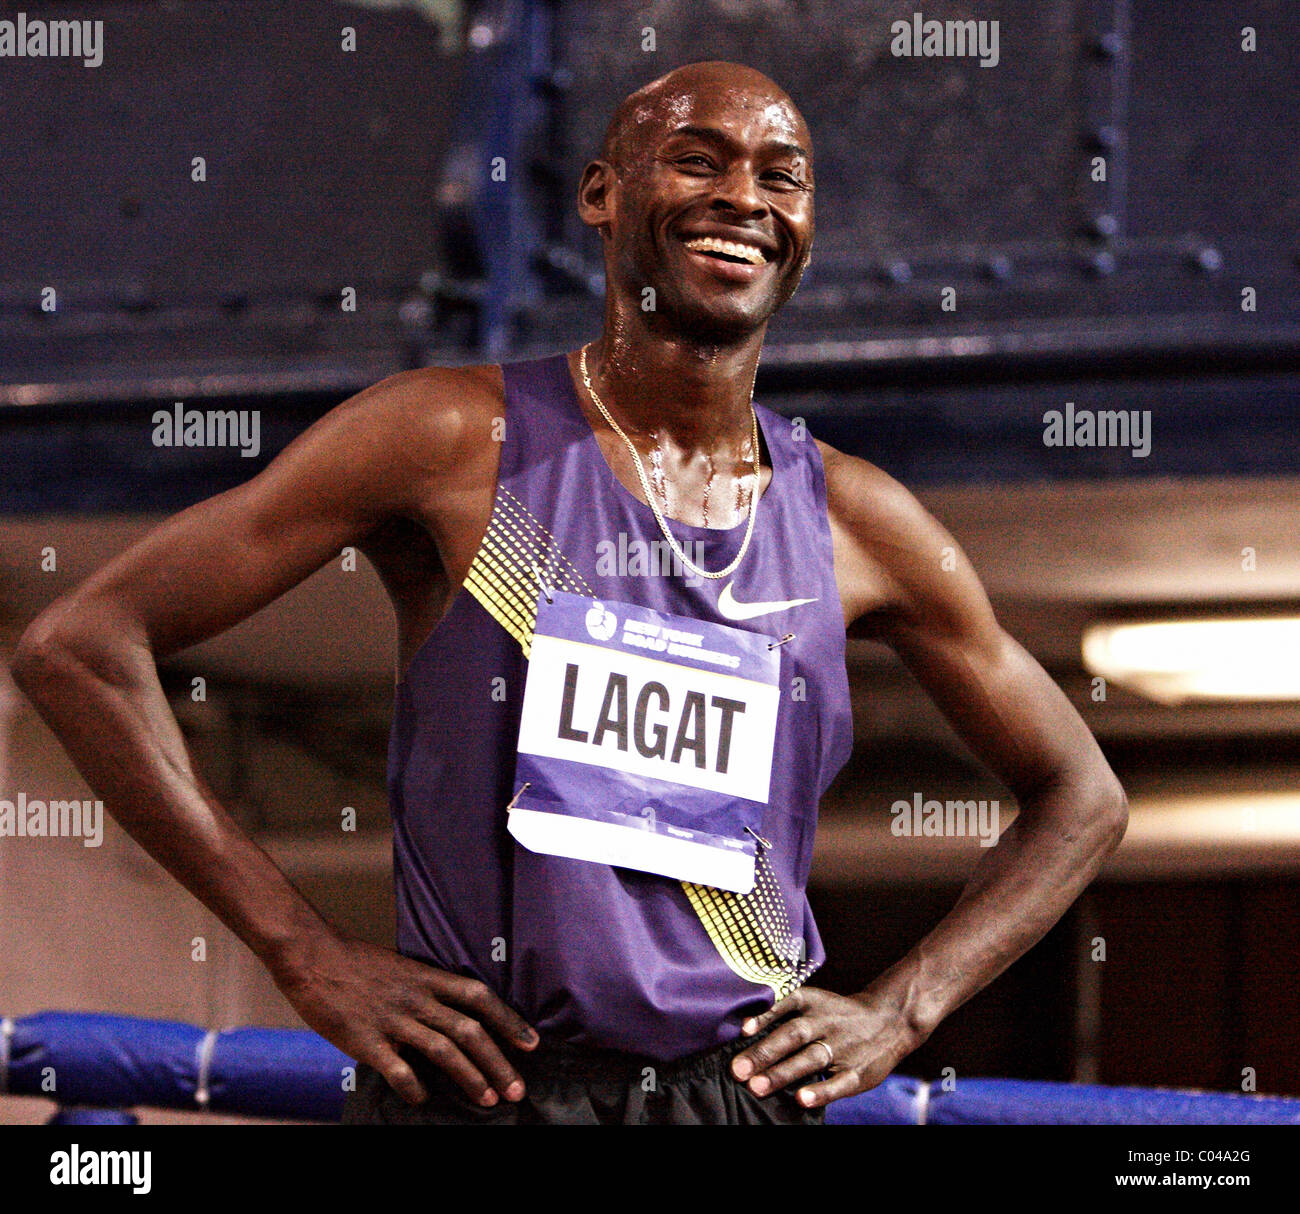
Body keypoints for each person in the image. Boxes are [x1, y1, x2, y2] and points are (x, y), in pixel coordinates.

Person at [12, 61, 1127, 1125]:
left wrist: (904, 1005)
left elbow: (1080, 794)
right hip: (484, 1090)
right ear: (603, 193)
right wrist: (302, 948)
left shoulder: (858, 519)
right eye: (697, 160)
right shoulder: (447, 437)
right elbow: (80, 645)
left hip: (731, 1096)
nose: (741, 196)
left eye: (778, 174)